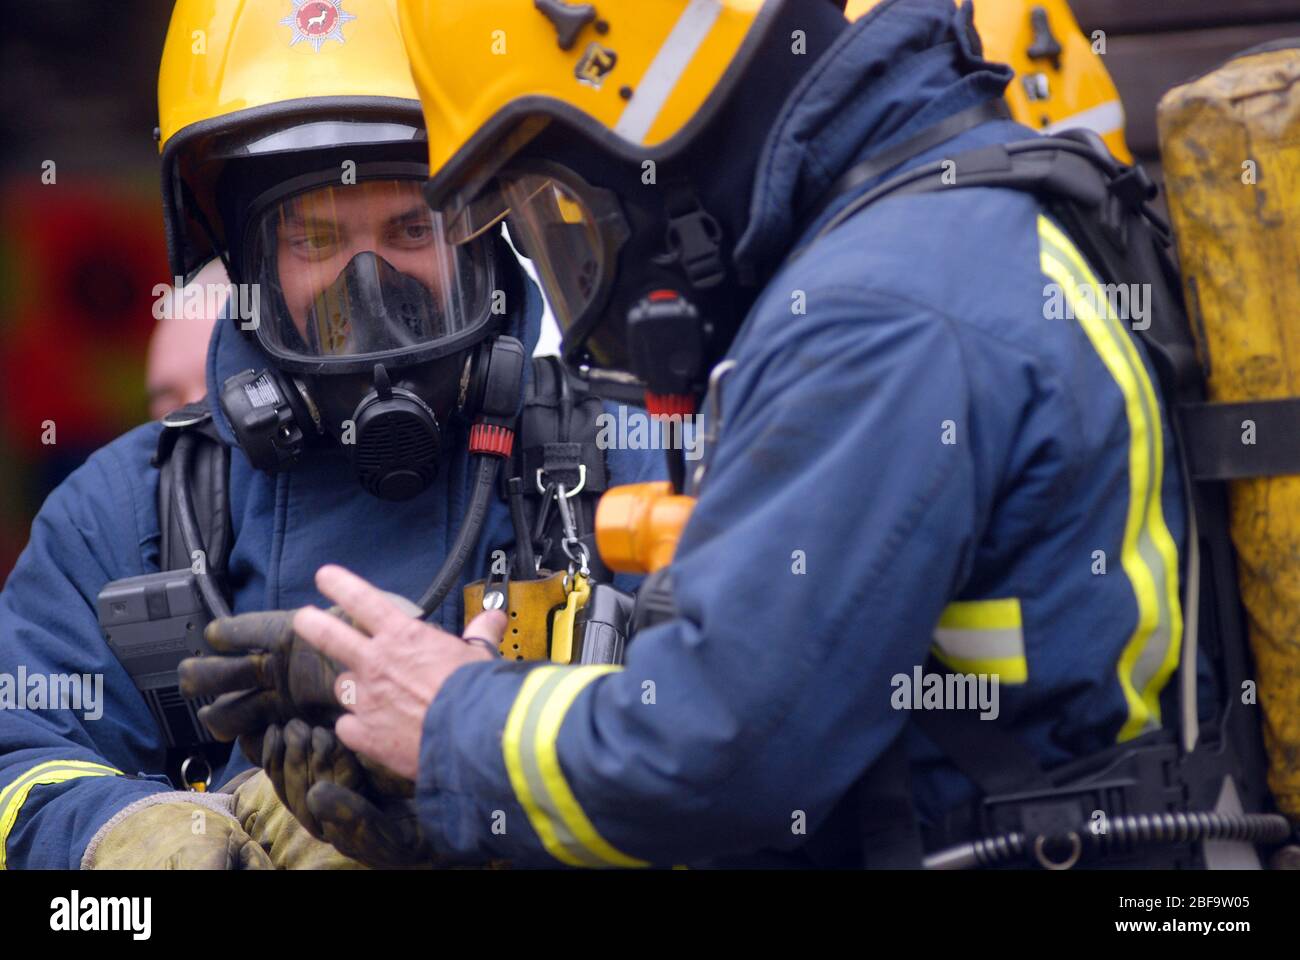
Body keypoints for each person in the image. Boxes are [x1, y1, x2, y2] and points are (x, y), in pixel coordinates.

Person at [0, 0, 658, 870]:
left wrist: (486, 794)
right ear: (244, 261)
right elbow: (19, 762)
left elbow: (733, 763)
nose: (369, 285)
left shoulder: (629, 468)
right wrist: (120, 836)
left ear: (492, 235)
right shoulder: (125, 513)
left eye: (412, 227)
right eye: (314, 236)